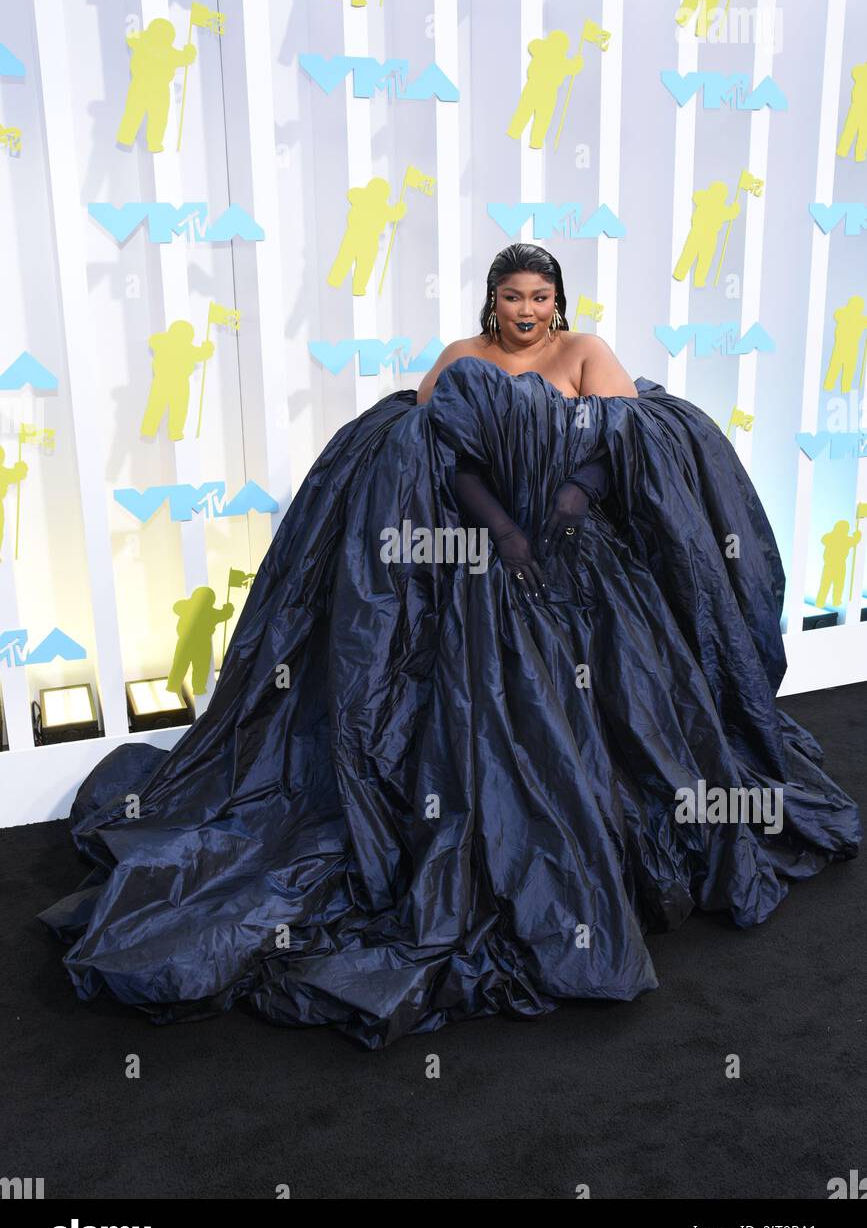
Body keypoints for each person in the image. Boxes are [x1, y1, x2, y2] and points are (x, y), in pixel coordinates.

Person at [38, 243, 862, 1051]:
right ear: (491, 301)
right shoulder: (461, 357)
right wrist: (502, 530)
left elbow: (621, 447)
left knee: (618, 708)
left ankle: (598, 855)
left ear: (558, 301)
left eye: (540, 297)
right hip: (473, 555)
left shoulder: (586, 354)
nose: (527, 310)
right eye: (512, 296)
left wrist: (568, 505)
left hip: (579, 560)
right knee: (463, 715)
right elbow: (434, 453)